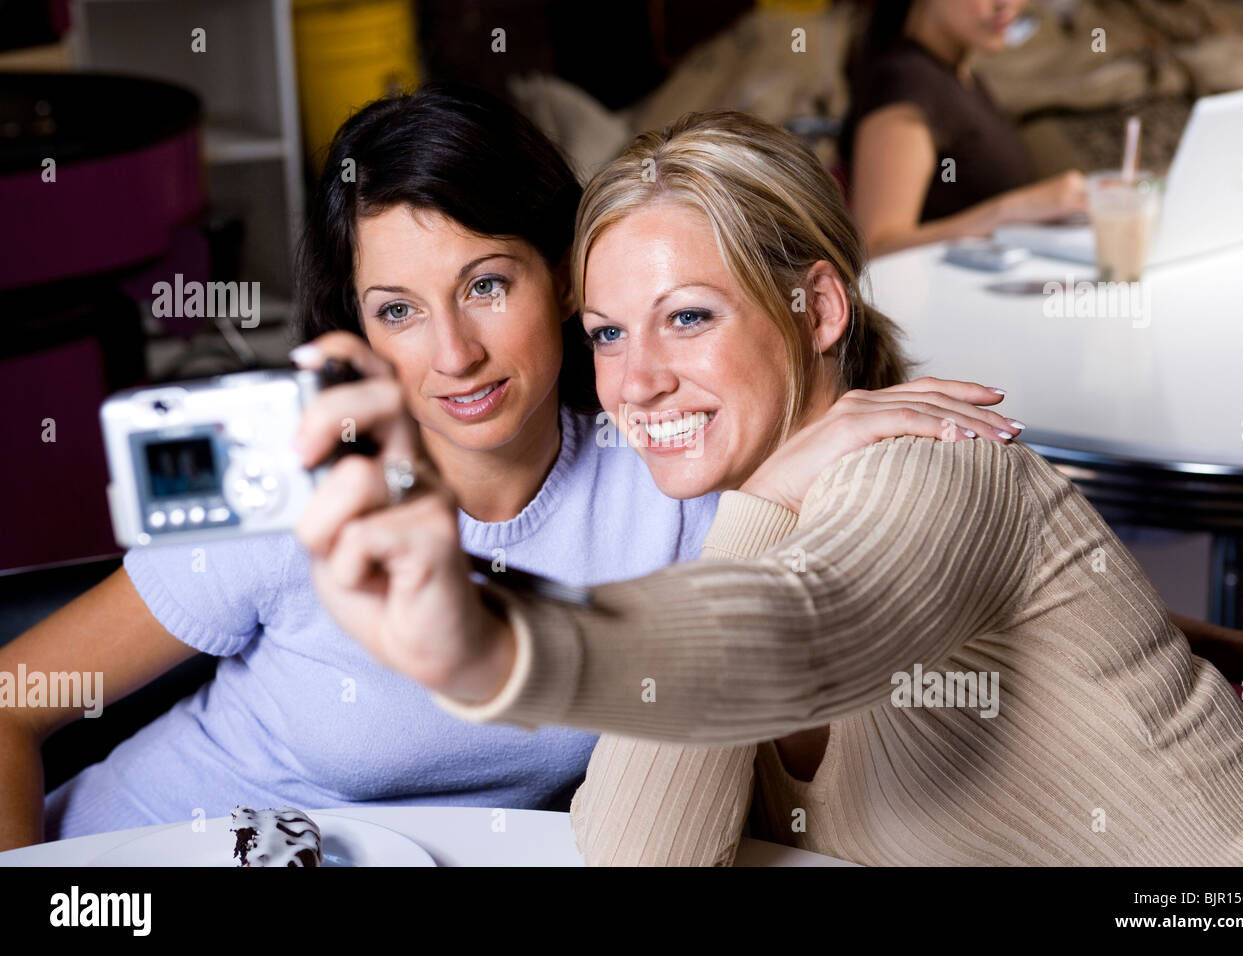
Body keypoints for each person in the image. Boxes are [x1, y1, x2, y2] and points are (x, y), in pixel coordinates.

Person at [0, 84, 1013, 851]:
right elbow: (11, 701)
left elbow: (791, 735)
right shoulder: (305, 483)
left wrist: (804, 470)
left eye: (486, 283)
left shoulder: (664, 472)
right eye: (397, 308)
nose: (453, 353)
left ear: (567, 281)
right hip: (137, 862)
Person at [300, 109, 1243, 865]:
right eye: (607, 331)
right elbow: (639, 857)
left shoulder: (929, 467)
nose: (635, 379)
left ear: (818, 306)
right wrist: (762, 499)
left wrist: (493, 642)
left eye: (687, 317)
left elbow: (802, 626)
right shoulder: (724, 513)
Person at [843, 0, 1088, 255]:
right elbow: (876, 246)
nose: (1006, 4)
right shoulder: (905, 83)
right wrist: (1010, 211)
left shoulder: (960, 75)